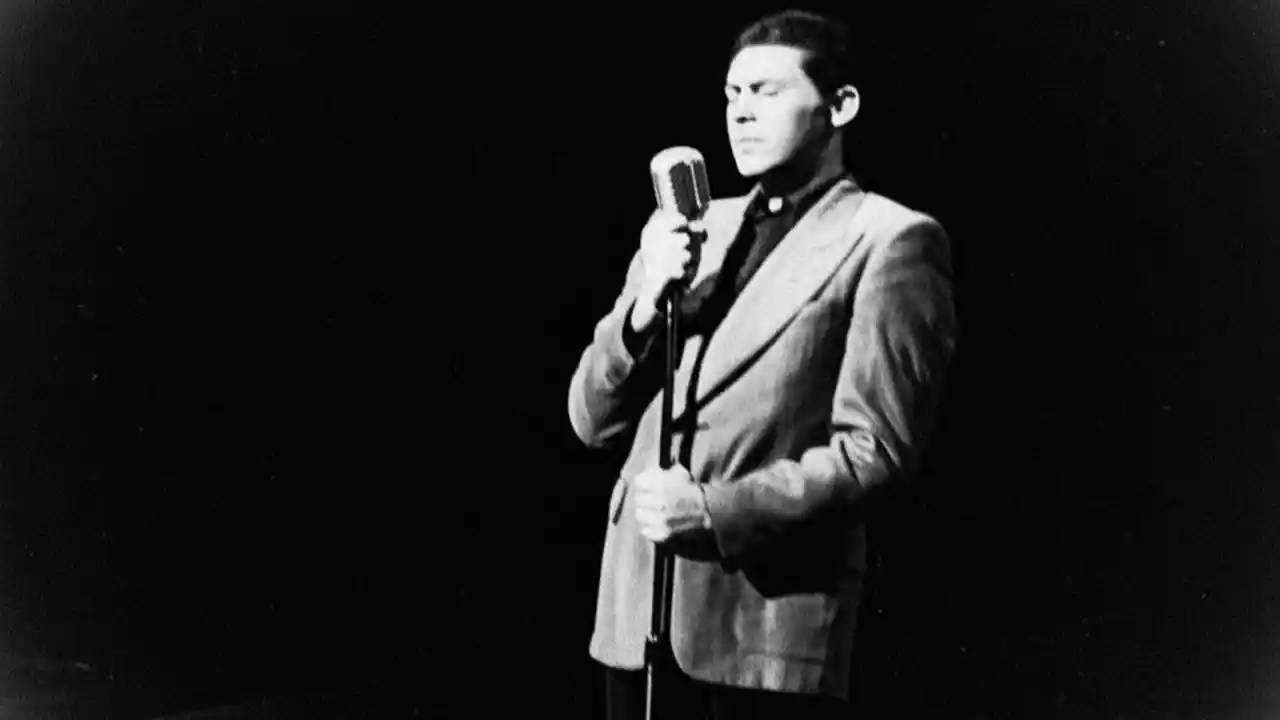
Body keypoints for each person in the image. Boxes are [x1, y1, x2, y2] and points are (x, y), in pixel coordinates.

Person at [567, 9, 956, 719]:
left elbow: (875, 453)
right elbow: (590, 421)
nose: (740, 114)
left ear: (840, 105)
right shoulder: (688, 232)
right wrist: (645, 307)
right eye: (731, 96)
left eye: (767, 93)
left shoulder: (889, 240)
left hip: (760, 634)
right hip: (634, 616)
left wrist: (716, 512)